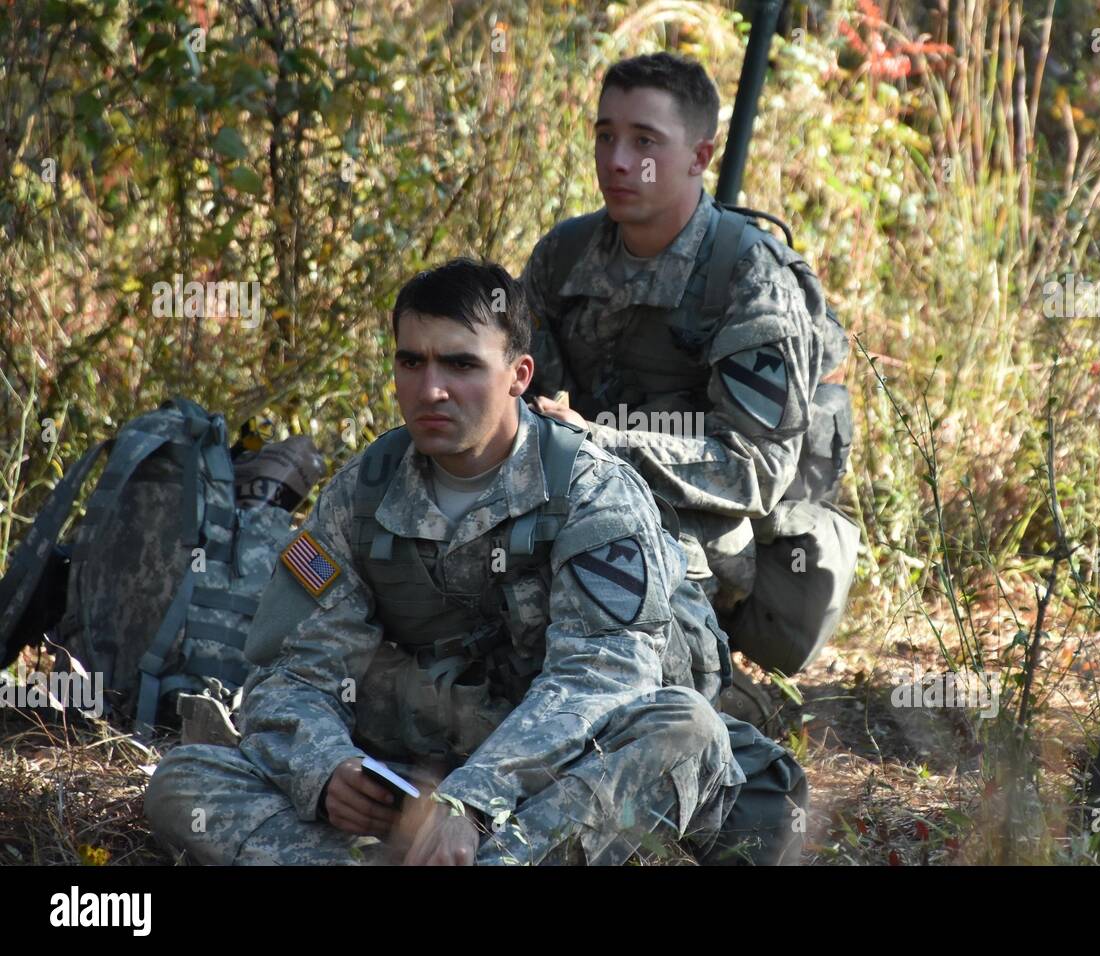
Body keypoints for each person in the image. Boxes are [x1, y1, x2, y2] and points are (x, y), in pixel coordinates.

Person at [144, 258, 804, 865]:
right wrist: (327, 768)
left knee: (686, 733)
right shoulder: (363, 491)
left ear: (518, 375)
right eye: (412, 363)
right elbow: (298, 670)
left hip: (554, 780)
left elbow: (602, 679)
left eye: (460, 365)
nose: (431, 389)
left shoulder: (590, 492)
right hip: (419, 779)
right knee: (184, 781)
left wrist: (475, 798)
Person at [523, 52, 856, 681]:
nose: (618, 160)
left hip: (697, 527)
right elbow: (516, 390)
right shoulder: (563, 256)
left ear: (699, 158)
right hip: (571, 492)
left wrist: (596, 445)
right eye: (605, 136)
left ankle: (714, 704)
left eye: (645, 141)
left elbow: (753, 472)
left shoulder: (752, 281)